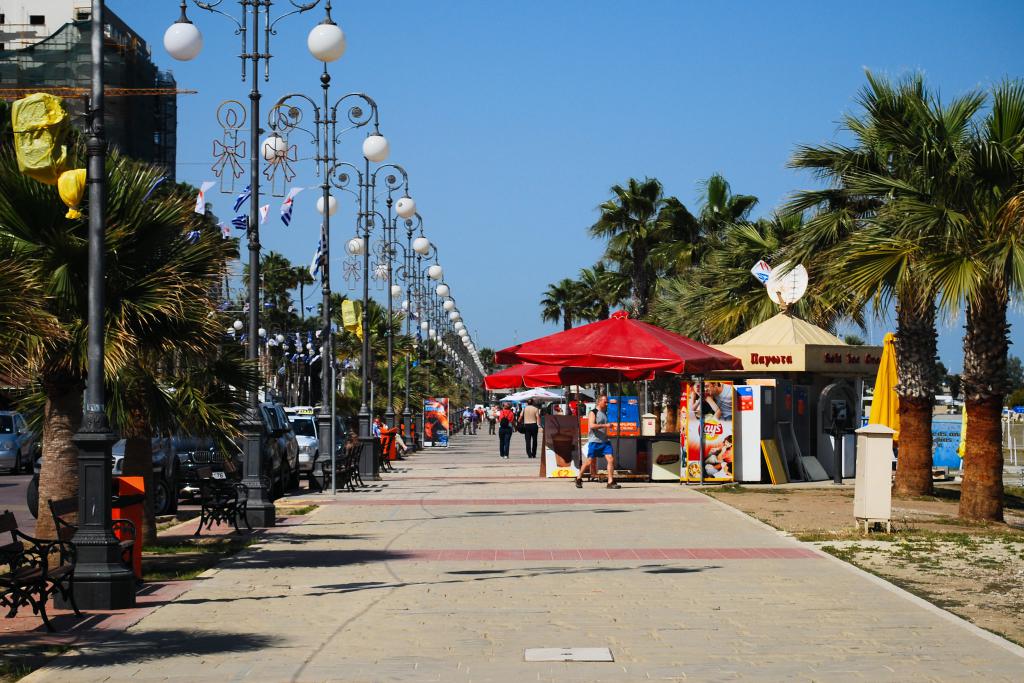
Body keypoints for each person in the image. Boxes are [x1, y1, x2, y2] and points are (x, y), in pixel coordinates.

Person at [576, 394, 620, 489]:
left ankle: (610, 481)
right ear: (599, 401)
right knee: (589, 462)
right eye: (605, 402)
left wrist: (609, 427)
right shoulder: (593, 412)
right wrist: (606, 426)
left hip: (605, 441)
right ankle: (579, 477)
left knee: (611, 459)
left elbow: (604, 425)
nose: (607, 404)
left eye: (607, 402)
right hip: (595, 441)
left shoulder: (604, 413)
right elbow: (592, 426)